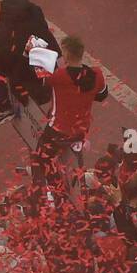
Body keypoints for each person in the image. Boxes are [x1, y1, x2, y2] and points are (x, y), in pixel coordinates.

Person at [33, 35, 108, 182]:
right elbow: (101, 96)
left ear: (66, 54)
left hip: (57, 131)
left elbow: (40, 83)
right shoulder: (97, 74)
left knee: (41, 159)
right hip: (80, 131)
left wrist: (36, 52)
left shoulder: (58, 76)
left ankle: (55, 189)